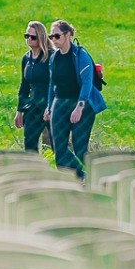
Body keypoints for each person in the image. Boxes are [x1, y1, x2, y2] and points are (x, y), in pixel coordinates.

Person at [45, 19, 106, 178]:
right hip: (60, 103)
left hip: (82, 104)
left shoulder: (80, 55)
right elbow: (52, 84)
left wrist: (79, 107)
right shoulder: (54, 57)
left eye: (57, 36)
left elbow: (86, 83)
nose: (54, 40)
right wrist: (49, 107)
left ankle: (100, 176)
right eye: (52, 36)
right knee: (59, 150)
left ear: (67, 34)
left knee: (80, 148)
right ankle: (80, 178)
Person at [14, 21, 54, 153]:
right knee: (29, 145)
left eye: (33, 37)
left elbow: (57, 83)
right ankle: (34, 172)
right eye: (27, 36)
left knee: (58, 147)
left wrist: (50, 106)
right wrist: (19, 111)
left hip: (51, 106)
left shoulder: (51, 57)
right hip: (33, 107)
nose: (29, 40)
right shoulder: (26, 58)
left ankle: (75, 172)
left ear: (41, 37)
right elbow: (24, 86)